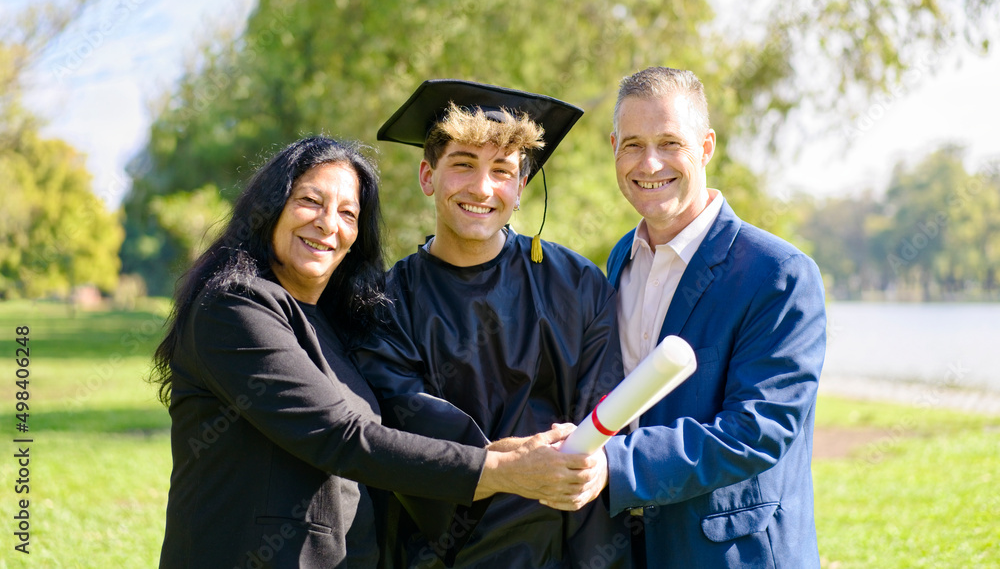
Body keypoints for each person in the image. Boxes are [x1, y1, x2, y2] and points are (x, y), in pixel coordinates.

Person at [151, 136, 605, 569]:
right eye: (310, 201)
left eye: (348, 213)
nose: (329, 224)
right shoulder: (233, 307)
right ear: (269, 207)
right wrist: (504, 468)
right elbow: (343, 436)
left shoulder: (332, 322)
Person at [354, 80, 628, 568]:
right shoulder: (387, 303)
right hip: (440, 554)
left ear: (521, 188)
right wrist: (513, 467)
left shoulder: (577, 286)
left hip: (563, 547)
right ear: (427, 175)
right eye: (462, 164)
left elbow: (603, 421)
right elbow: (404, 432)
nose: (482, 188)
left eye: (502, 171)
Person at [601, 66, 827, 567]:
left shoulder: (780, 273)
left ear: (705, 148)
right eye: (633, 144)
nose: (649, 161)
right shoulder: (621, 258)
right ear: (614, 147)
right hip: (628, 547)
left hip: (731, 553)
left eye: (669, 142)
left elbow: (757, 430)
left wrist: (611, 465)